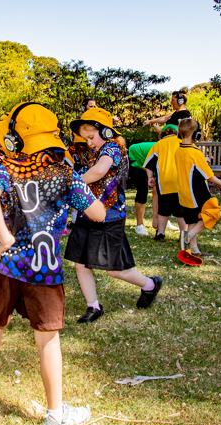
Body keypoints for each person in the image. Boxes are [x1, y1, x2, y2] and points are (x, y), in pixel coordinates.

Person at [0, 102, 105, 425]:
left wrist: (3, 235)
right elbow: (98, 214)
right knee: (48, 339)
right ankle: (56, 414)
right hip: (43, 268)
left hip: (5, 265)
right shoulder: (64, 173)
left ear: (16, 135)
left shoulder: (5, 166)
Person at [66, 108, 164, 323]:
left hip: (109, 216)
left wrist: (72, 182)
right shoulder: (98, 149)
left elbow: (99, 172)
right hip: (89, 211)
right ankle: (93, 306)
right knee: (81, 263)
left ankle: (150, 284)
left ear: (106, 132)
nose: (89, 142)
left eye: (91, 137)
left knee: (115, 270)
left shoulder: (113, 148)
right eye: (86, 139)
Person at [175, 118, 221, 256]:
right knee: (213, 213)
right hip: (196, 191)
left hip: (183, 192)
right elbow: (208, 175)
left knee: (193, 219)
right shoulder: (195, 153)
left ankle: (194, 249)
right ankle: (188, 235)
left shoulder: (178, 150)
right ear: (195, 135)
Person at [143, 124, 187, 241]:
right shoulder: (182, 142)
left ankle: (160, 234)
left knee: (163, 209)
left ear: (162, 133)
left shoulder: (158, 145)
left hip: (164, 182)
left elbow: (148, 164)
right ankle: (184, 234)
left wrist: (150, 177)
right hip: (181, 182)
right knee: (181, 210)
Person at [127, 139, 155, 235]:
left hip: (146, 160)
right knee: (142, 189)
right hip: (135, 157)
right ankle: (140, 225)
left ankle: (162, 220)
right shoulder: (166, 148)